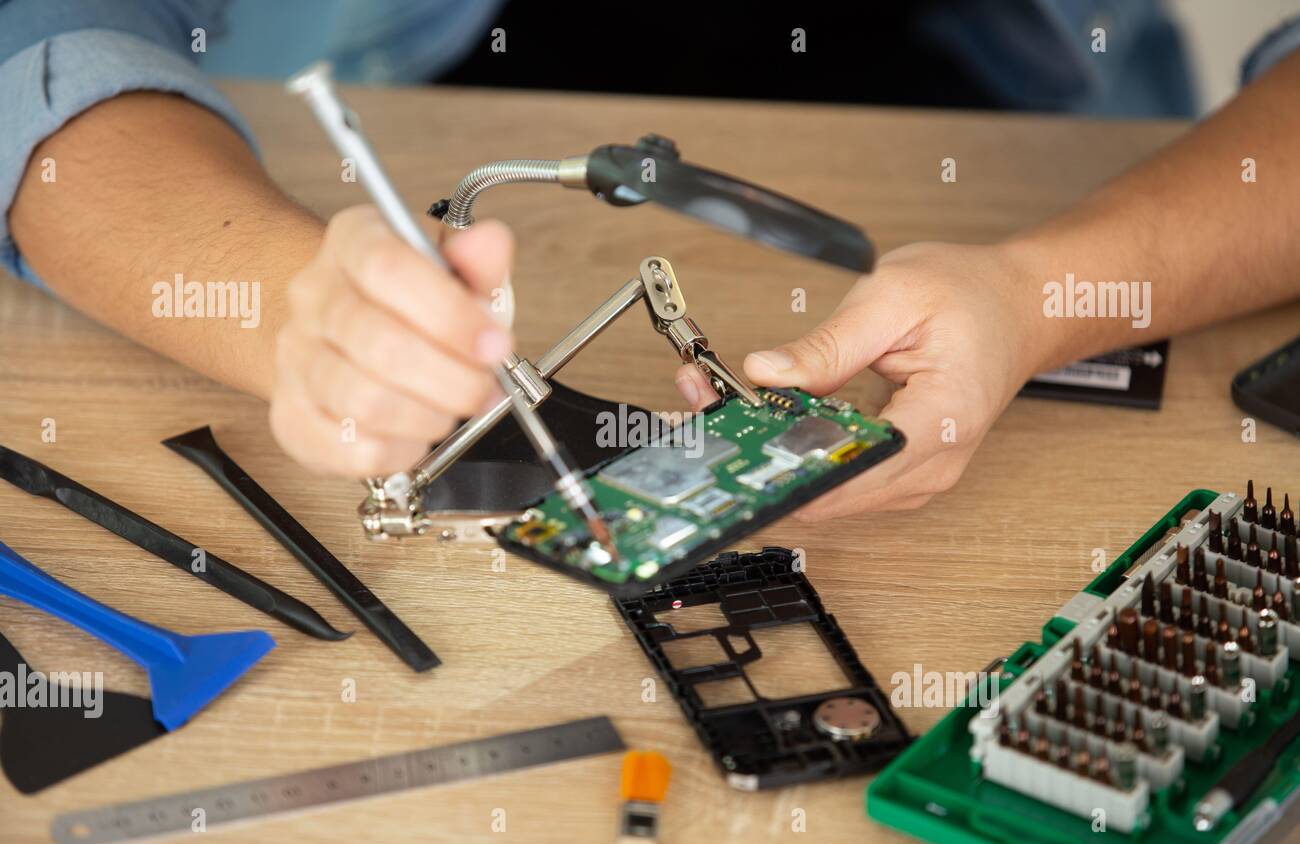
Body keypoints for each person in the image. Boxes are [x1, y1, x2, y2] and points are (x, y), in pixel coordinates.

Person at [3, 0, 1298, 514]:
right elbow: (35, 57)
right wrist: (303, 312)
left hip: (997, 99)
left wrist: (1035, 295)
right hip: (456, 70)